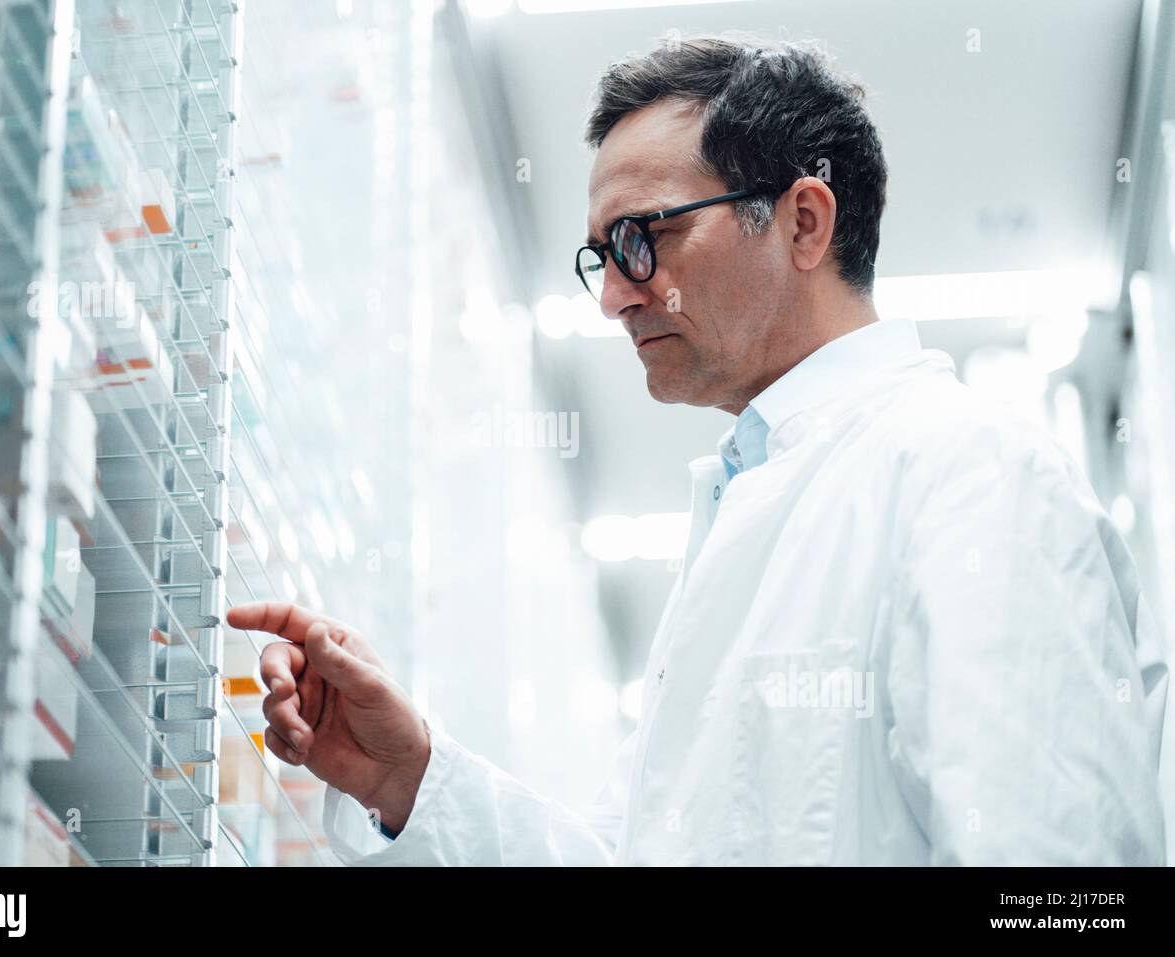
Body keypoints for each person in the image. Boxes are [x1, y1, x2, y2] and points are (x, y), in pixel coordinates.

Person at [227, 34, 1168, 865]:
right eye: (602, 254)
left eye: (644, 236)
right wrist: (411, 777)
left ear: (804, 221)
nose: (614, 295)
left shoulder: (968, 478)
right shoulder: (747, 514)